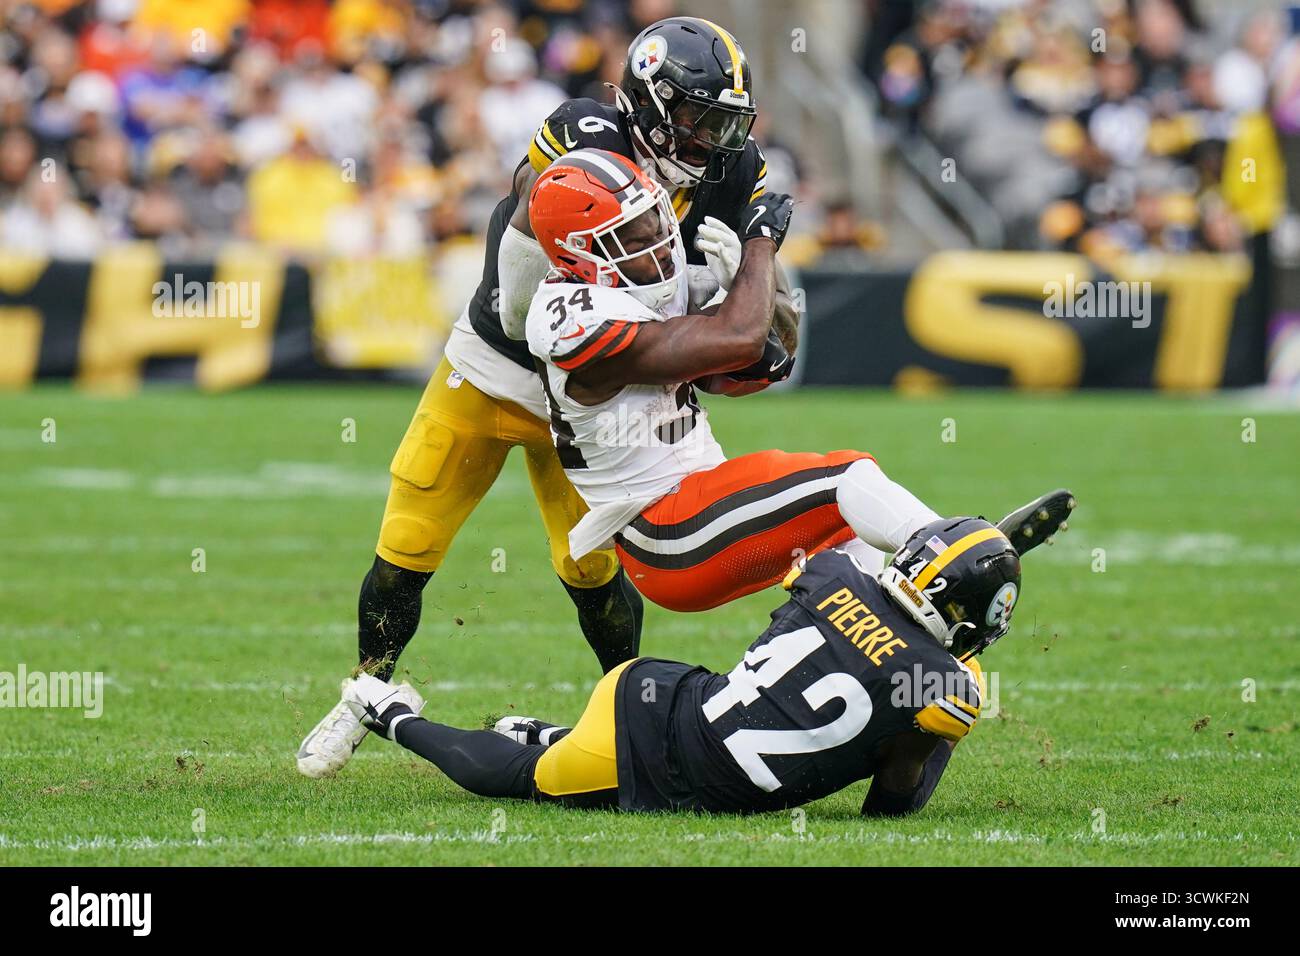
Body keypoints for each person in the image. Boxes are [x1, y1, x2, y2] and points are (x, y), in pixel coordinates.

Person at [298, 17, 788, 778]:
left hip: (599, 400)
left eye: (726, 121)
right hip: (499, 360)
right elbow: (528, 275)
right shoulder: (584, 133)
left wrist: (744, 297)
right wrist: (689, 291)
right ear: (653, 101)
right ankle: (367, 687)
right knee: (407, 545)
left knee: (593, 572)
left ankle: (623, 716)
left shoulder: (733, 168)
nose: (712, 137)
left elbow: (762, 327)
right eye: (698, 117)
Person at [525, 147, 1073, 613]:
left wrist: (757, 281)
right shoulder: (573, 317)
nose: (655, 239)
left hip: (694, 512)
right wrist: (759, 246)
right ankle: (958, 560)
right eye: (630, 232)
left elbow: (768, 359)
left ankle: (899, 643)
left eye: (652, 219)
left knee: (853, 541)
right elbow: (738, 339)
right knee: (848, 478)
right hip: (663, 527)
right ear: (578, 252)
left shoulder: (641, 287)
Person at [343, 517, 1034, 815]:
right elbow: (891, 804)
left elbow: (847, 634)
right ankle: (391, 713)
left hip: (669, 693)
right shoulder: (942, 686)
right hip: (673, 749)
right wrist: (945, 722)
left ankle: (551, 732)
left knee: (588, 763)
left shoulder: (831, 573)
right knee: (526, 785)